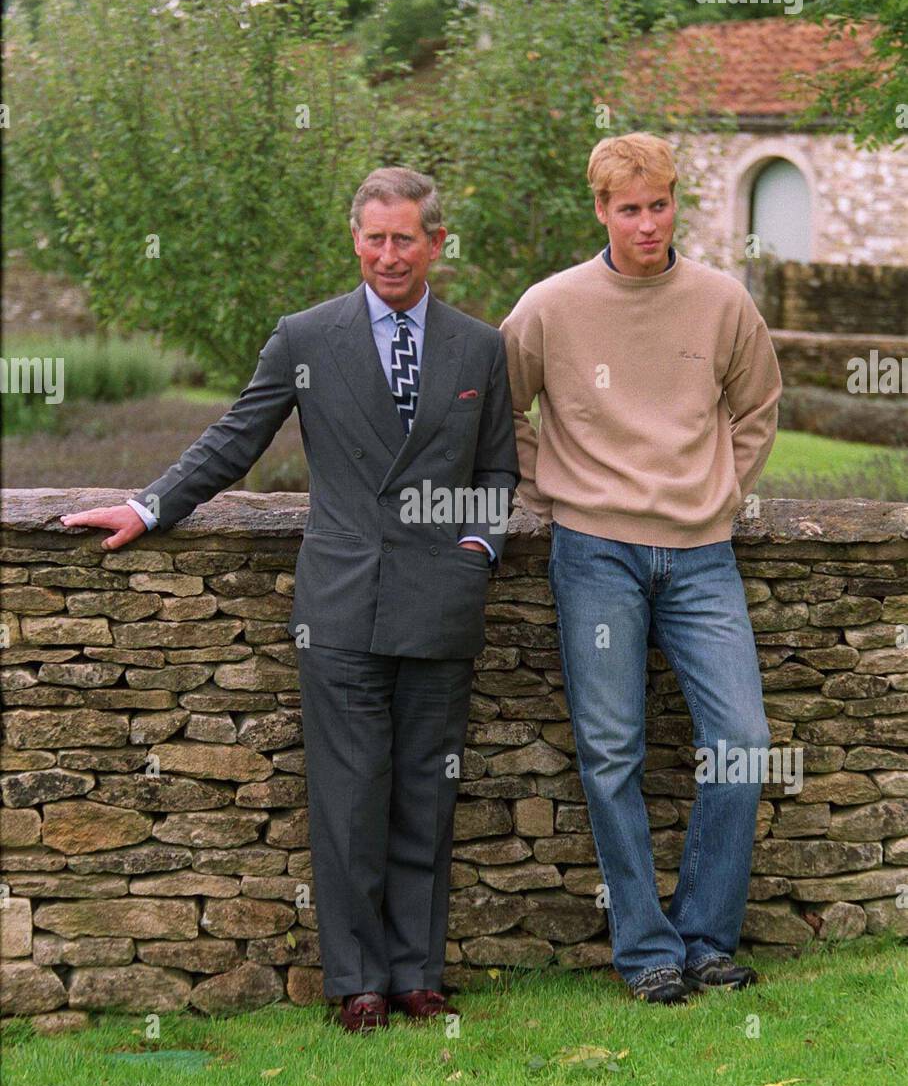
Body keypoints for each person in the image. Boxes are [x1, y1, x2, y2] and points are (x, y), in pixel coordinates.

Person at [61, 166, 520, 1032]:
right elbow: (235, 439)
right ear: (356, 239)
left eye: (406, 239)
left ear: (436, 244)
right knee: (350, 795)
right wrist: (149, 505)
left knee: (428, 790)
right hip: (340, 600)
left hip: (441, 597)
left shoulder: (479, 348)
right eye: (375, 238)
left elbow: (498, 467)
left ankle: (420, 974)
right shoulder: (305, 338)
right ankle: (359, 984)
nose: (390, 255)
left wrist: (478, 543)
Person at [499, 132, 783, 1004]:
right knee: (611, 752)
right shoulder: (548, 307)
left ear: (674, 205)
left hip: (703, 554)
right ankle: (646, 952)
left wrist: (721, 495)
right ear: (601, 210)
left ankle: (705, 939)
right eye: (630, 208)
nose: (647, 222)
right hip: (594, 554)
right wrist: (558, 492)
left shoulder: (721, 301)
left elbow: (759, 405)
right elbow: (502, 413)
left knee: (742, 744)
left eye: (659, 204)